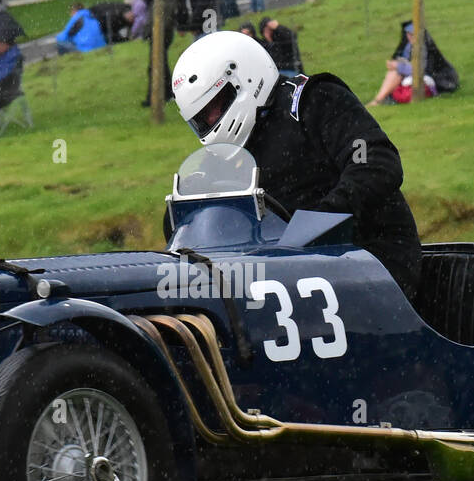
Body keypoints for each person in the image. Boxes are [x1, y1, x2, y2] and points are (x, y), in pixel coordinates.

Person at [171, 31, 421, 300]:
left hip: (371, 266)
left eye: (217, 106)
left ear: (243, 79)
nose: (212, 120)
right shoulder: (225, 155)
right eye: (202, 119)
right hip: (283, 279)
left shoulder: (314, 100)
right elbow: (192, 224)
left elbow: (376, 161)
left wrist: (318, 222)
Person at [368, 21, 460, 104]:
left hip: (427, 79)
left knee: (395, 72)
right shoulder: (408, 46)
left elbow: (421, 70)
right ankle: (379, 99)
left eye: (413, 34)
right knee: (393, 72)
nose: (411, 36)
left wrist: (399, 66)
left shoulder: (424, 47)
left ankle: (378, 100)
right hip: (411, 76)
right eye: (409, 34)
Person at [137, 0, 175, 108]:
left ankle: (155, 96)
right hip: (155, 33)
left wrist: (155, 32)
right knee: (160, 64)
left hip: (162, 34)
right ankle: (167, 93)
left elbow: (165, 18)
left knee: (156, 65)